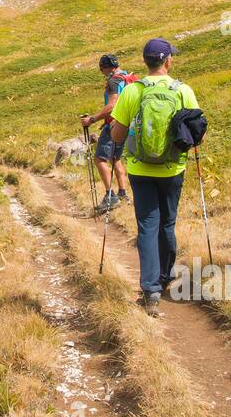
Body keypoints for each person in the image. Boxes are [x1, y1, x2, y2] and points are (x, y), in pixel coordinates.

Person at [109, 38, 199, 315]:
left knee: (147, 225)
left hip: (139, 169)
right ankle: (164, 276)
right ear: (168, 61)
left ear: (145, 61)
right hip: (173, 169)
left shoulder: (133, 91)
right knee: (167, 224)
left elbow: (117, 134)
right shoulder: (183, 90)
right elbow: (195, 135)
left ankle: (150, 290)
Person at [80, 54, 131, 211]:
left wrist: (92, 119)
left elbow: (112, 105)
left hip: (114, 125)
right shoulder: (127, 78)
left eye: (102, 69)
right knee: (115, 158)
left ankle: (110, 196)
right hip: (127, 124)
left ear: (106, 68)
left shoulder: (113, 81)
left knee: (100, 159)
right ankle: (123, 193)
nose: (102, 72)